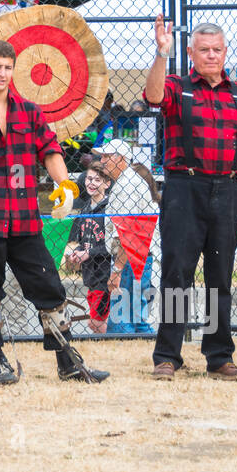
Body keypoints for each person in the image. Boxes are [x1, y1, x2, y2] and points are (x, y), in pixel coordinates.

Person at [0, 40, 109, 385]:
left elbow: (50, 151)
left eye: (7, 67)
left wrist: (65, 186)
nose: (2, 73)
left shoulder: (29, 112)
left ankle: (67, 360)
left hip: (24, 218)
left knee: (48, 285)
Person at [144, 18, 237, 381]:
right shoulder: (177, 87)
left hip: (228, 191)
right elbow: (153, 96)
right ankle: (167, 356)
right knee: (176, 275)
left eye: (217, 49)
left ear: (225, 51)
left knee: (221, 277)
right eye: (203, 50)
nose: (211, 56)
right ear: (190, 53)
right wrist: (161, 52)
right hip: (184, 190)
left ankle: (219, 356)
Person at [93, 139, 160, 335]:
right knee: (137, 319)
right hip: (138, 256)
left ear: (120, 159)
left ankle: (128, 354)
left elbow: (126, 234)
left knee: (121, 323)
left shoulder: (125, 186)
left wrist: (117, 270)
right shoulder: (128, 181)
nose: (102, 161)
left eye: (106, 156)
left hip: (130, 258)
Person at [64, 162, 114, 335]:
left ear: (107, 183)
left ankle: (107, 349)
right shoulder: (85, 208)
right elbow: (83, 240)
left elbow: (112, 246)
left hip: (105, 273)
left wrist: (88, 253)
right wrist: (77, 252)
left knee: (96, 322)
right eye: (89, 179)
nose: (91, 183)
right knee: (95, 322)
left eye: (97, 180)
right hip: (89, 273)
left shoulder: (109, 208)